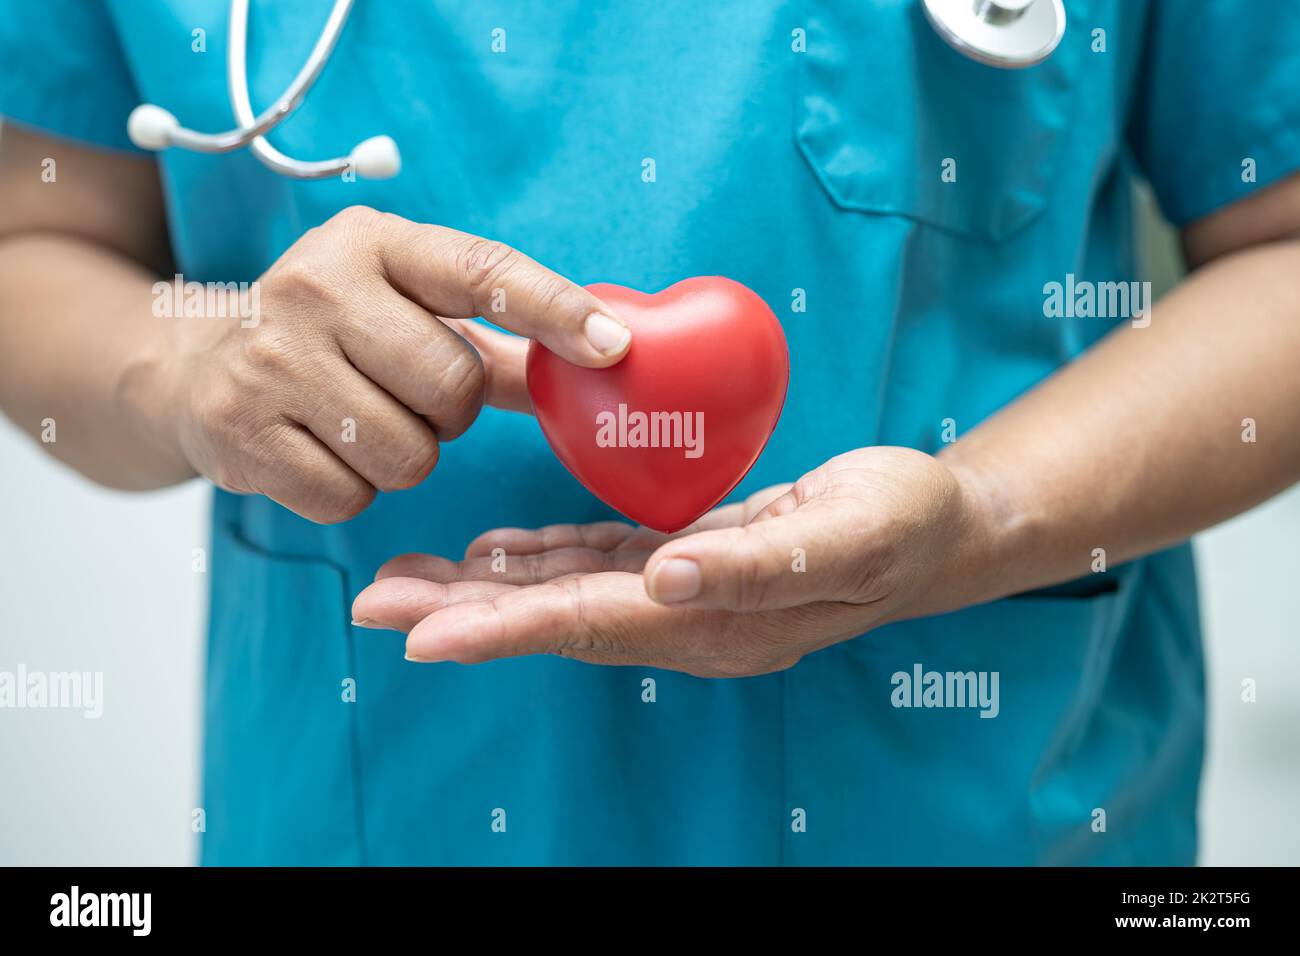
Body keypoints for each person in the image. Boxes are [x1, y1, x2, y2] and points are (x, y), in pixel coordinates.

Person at [1, 0, 1297, 866]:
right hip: (378, 798)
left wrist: (984, 517)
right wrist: (186, 366)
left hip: (980, 806)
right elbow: (38, 236)